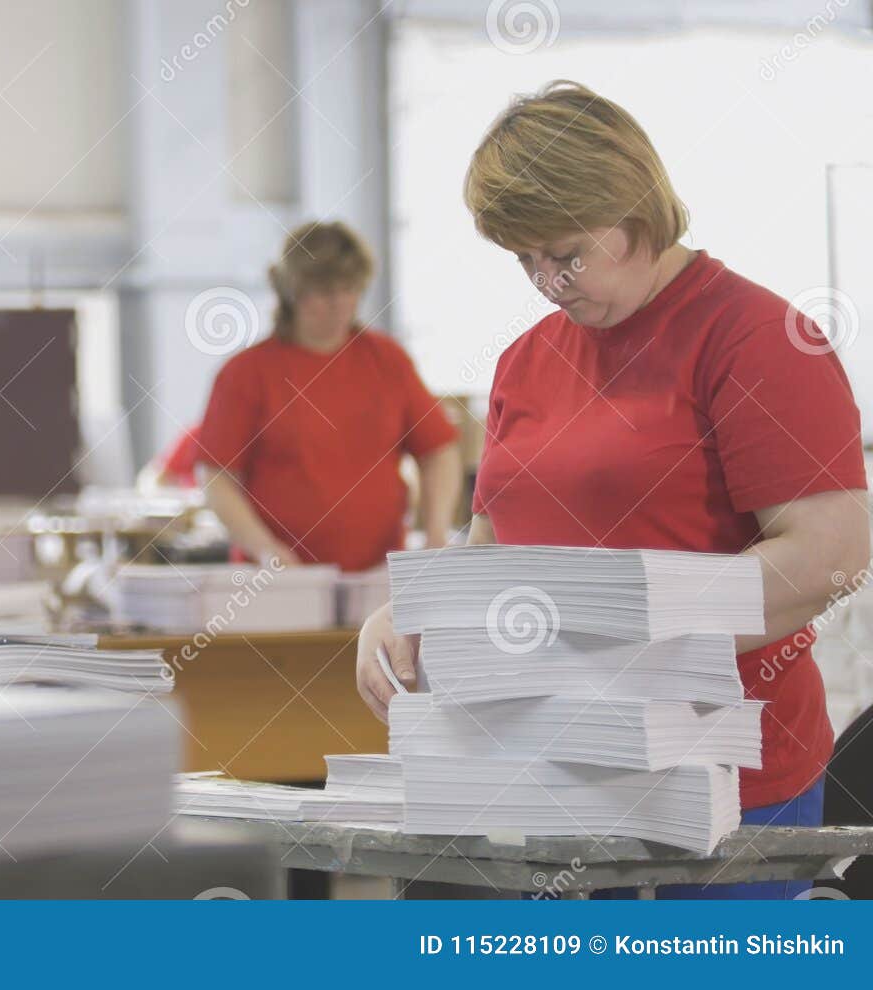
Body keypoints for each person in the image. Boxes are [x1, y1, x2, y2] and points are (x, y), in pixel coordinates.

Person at [356, 81, 870, 898]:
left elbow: (830, 557)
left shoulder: (761, 339)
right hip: (558, 770)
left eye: (566, 253)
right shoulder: (525, 360)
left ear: (637, 211)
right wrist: (416, 612)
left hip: (729, 787)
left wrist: (624, 627)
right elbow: (493, 539)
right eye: (525, 260)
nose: (547, 282)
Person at [195, 220, 462, 570]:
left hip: (376, 575)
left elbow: (438, 452)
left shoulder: (387, 360)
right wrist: (266, 550)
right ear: (292, 293)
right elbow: (218, 479)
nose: (340, 304)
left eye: (350, 289)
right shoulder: (245, 374)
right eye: (324, 293)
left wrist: (436, 533)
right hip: (280, 581)